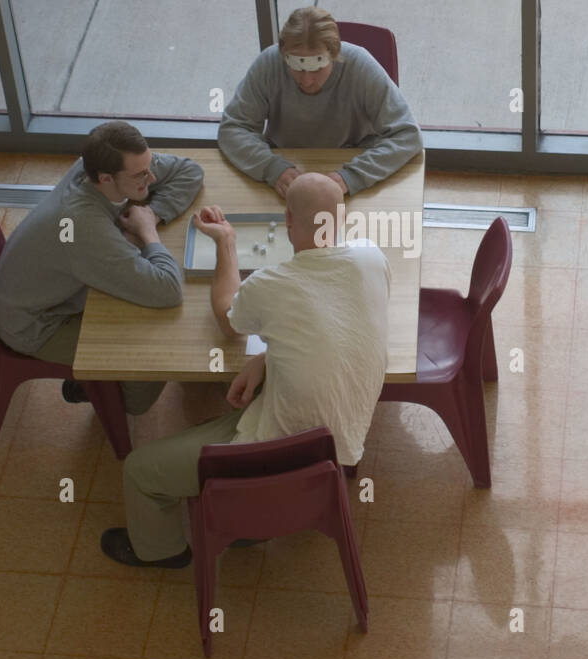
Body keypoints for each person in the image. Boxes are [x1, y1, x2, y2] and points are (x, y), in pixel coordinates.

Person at [101, 173, 390, 567]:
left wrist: (226, 242)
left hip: (276, 461)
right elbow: (336, 327)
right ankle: (252, 527)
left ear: (288, 221)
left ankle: (162, 552)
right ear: (342, 219)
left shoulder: (273, 284)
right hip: (334, 452)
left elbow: (228, 317)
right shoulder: (372, 257)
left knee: (138, 471)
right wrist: (266, 359)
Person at [0, 120, 203, 415]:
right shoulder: (81, 225)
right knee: (157, 347)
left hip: (59, 287)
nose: (151, 177)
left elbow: (189, 170)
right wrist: (148, 231)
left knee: (147, 305)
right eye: (140, 175)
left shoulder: (93, 166)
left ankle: (101, 376)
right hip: (37, 324)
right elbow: (169, 290)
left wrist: (152, 212)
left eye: (150, 166)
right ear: (105, 179)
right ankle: (98, 391)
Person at [218, 6, 422, 200]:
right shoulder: (268, 63)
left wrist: (350, 177)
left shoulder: (360, 65)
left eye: (316, 69)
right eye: (297, 67)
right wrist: (271, 167)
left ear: (335, 56)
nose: (306, 80)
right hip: (284, 166)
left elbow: (407, 135)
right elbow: (233, 128)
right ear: (283, 55)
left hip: (351, 160)